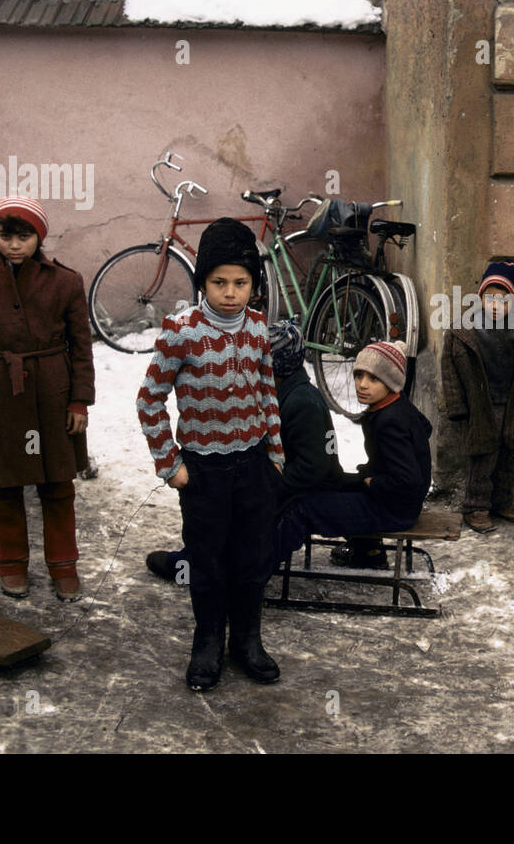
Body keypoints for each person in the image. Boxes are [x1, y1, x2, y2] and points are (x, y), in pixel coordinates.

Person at [137, 218, 286, 691]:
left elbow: (266, 390)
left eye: (240, 282)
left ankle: (247, 640)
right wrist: (170, 464)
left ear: (253, 286)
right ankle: (207, 642)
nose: (230, 292)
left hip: (253, 466)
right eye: (218, 282)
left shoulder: (259, 328)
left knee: (251, 557)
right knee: (208, 561)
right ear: (202, 282)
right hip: (204, 472)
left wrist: (276, 455)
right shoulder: (181, 332)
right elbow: (149, 399)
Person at [0, 196, 95, 602]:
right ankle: (12, 564)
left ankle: (64, 566)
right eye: (6, 235)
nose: (14, 245)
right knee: (3, 486)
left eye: (24, 236)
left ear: (40, 237)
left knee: (57, 485)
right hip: (2, 399)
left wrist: (79, 402)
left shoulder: (66, 282)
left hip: (54, 397)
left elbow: (82, 347)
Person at [144, 317, 344, 581]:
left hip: (300, 491)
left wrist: (267, 484)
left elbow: (314, 466)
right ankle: (196, 560)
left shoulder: (301, 402)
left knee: (241, 516)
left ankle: (204, 569)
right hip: (286, 482)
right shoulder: (286, 392)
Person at [271, 341, 431, 572]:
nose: (362, 385)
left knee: (301, 508)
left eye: (373, 379)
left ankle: (255, 572)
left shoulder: (390, 422)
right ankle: (368, 551)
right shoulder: (393, 407)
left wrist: (373, 481)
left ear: (392, 383)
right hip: (396, 502)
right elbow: (424, 428)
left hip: (394, 509)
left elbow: (408, 480)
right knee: (334, 484)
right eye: (358, 375)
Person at [441, 261, 514, 534]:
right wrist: (456, 405)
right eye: (490, 298)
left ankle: (502, 502)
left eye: (504, 299)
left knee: (509, 454)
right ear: (480, 298)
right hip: (481, 404)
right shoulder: (463, 330)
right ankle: (476, 506)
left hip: (512, 402)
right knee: (483, 455)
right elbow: (450, 370)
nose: (496, 305)